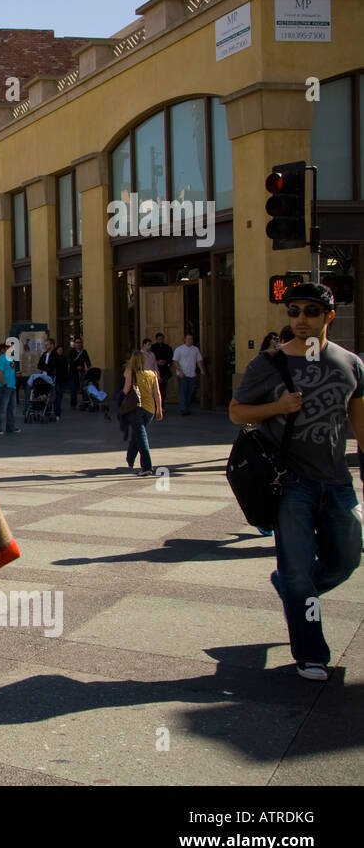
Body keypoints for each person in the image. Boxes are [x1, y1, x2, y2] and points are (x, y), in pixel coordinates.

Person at [231, 283, 364, 681]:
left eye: (310, 310)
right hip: (290, 483)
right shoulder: (268, 365)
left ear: (328, 316)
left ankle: (292, 592)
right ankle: (311, 653)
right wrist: (278, 407)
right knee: (297, 570)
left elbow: (358, 418)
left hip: (337, 481)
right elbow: (237, 413)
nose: (300, 318)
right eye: (293, 311)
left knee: (347, 559)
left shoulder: (351, 363)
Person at [123, 350, 162, 475]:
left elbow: (126, 390)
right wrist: (159, 409)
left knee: (141, 437)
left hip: (135, 408)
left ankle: (147, 467)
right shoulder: (152, 374)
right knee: (138, 434)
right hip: (149, 410)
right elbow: (157, 393)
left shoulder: (130, 372)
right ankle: (130, 459)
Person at [172, 333, 204, 415]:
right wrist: (180, 371)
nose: (190, 340)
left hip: (192, 374)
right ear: (185, 340)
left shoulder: (195, 349)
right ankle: (183, 409)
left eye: (191, 339)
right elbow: (175, 361)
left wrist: (201, 370)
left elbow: (199, 360)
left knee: (190, 392)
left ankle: (187, 407)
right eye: (188, 339)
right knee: (183, 392)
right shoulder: (179, 349)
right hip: (182, 374)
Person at [37, 339, 67, 420]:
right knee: (46, 395)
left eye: (47, 345)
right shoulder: (44, 354)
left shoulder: (55, 355)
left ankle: (57, 413)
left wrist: (46, 368)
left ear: (52, 345)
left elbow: (54, 366)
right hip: (44, 377)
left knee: (56, 396)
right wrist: (46, 368)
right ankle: (47, 411)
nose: (45, 346)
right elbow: (39, 365)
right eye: (45, 344)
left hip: (54, 378)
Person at [0, 343, 18, 435]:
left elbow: (10, 372)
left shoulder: (11, 359)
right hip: (5, 387)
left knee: (12, 408)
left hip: (12, 386)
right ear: (4, 349)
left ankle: (10, 427)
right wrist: (4, 383)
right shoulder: (1, 358)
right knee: (2, 407)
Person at [68, 337, 91, 411]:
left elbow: (88, 361)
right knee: (73, 388)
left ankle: (85, 403)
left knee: (84, 388)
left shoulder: (84, 351)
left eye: (79, 342)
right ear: (74, 344)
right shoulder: (71, 351)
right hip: (73, 372)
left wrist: (88, 367)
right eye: (76, 342)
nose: (78, 344)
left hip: (82, 372)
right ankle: (73, 404)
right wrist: (76, 367)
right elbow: (70, 361)